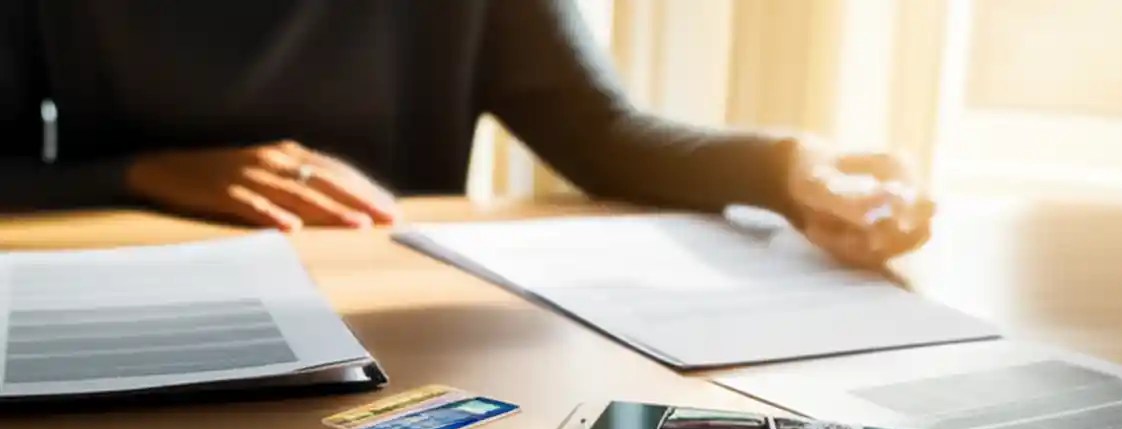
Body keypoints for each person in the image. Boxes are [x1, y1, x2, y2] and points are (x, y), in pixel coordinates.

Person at [0, 0, 932, 267]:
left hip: (396, 337)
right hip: (139, 308)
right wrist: (149, 174)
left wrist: (795, 168)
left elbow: (606, 135)